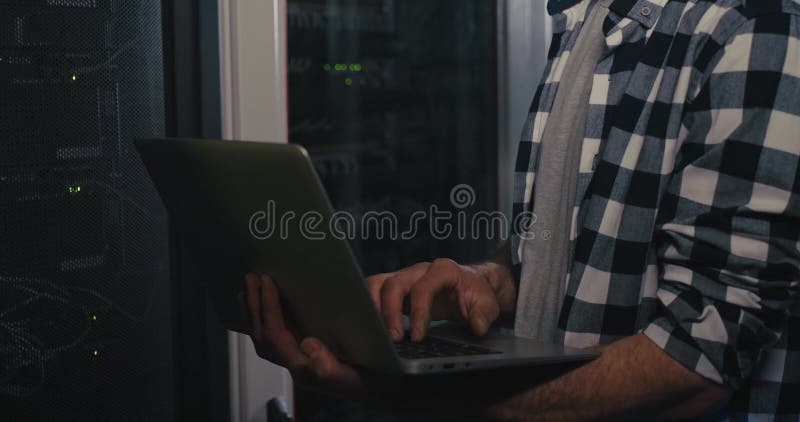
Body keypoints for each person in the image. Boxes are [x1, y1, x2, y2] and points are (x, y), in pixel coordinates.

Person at [242, 0, 800, 419]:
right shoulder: (587, 18)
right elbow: (578, 249)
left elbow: (699, 360)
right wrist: (487, 282)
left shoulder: (755, 25)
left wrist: (407, 391)